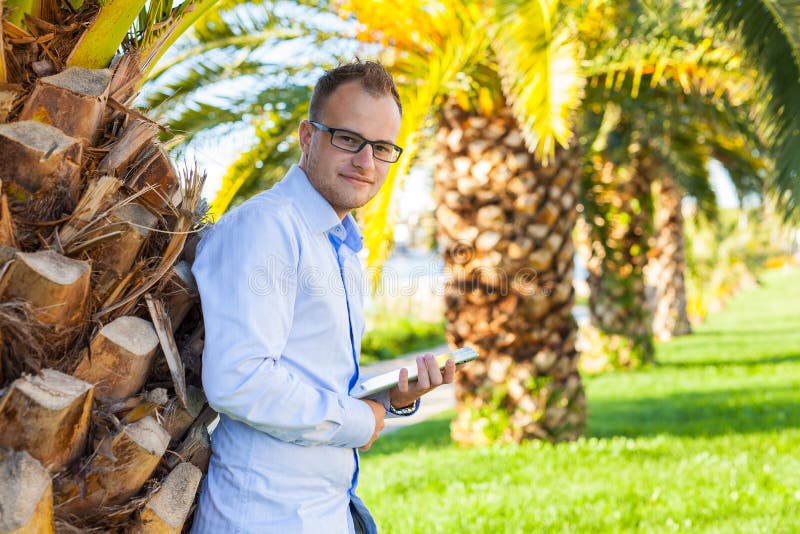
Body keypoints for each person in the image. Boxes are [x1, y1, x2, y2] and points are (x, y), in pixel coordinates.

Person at [190, 60, 456, 533]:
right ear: (307, 137)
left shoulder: (340, 242)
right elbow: (239, 379)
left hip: (324, 511)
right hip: (265, 518)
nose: (366, 162)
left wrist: (391, 398)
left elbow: (309, 375)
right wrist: (358, 421)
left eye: (381, 147)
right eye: (348, 139)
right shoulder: (266, 227)